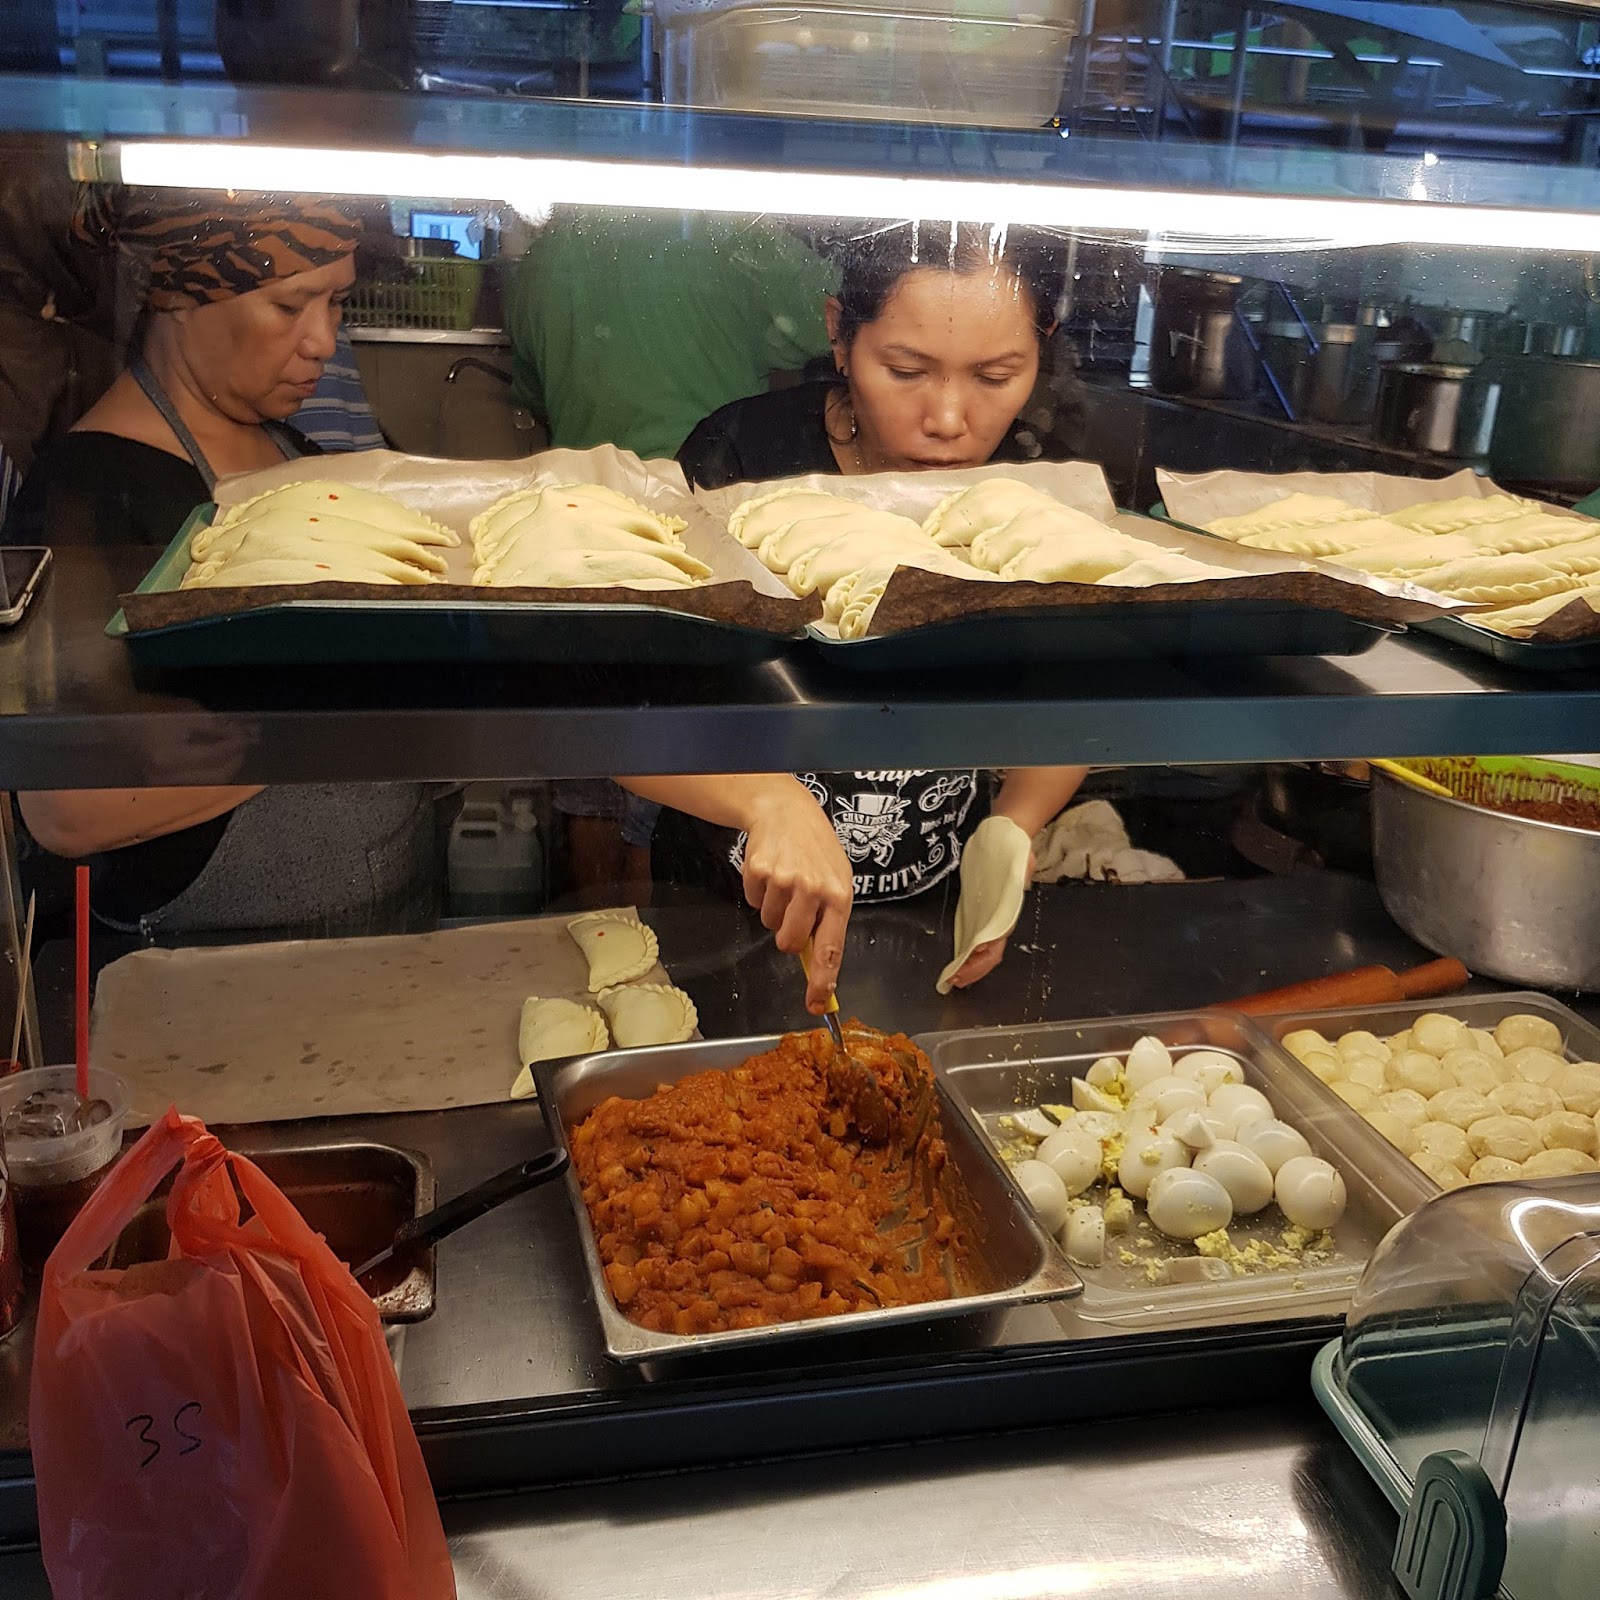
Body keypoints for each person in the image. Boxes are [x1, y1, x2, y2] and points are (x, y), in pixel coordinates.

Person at [10, 189, 852, 1006]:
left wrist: (762, 793)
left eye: (336, 303)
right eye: (290, 305)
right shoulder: (91, 495)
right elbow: (68, 807)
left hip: (370, 945)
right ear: (178, 295)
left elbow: (536, 684)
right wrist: (351, 701)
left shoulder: (296, 457)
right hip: (210, 979)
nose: (321, 341)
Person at [668, 221, 1092, 988]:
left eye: (996, 377)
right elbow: (621, 698)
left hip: (928, 907)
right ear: (839, 334)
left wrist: (1013, 824)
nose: (949, 420)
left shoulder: (1045, 488)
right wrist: (765, 801)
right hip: (721, 907)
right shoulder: (744, 461)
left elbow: (1075, 692)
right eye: (905, 369)